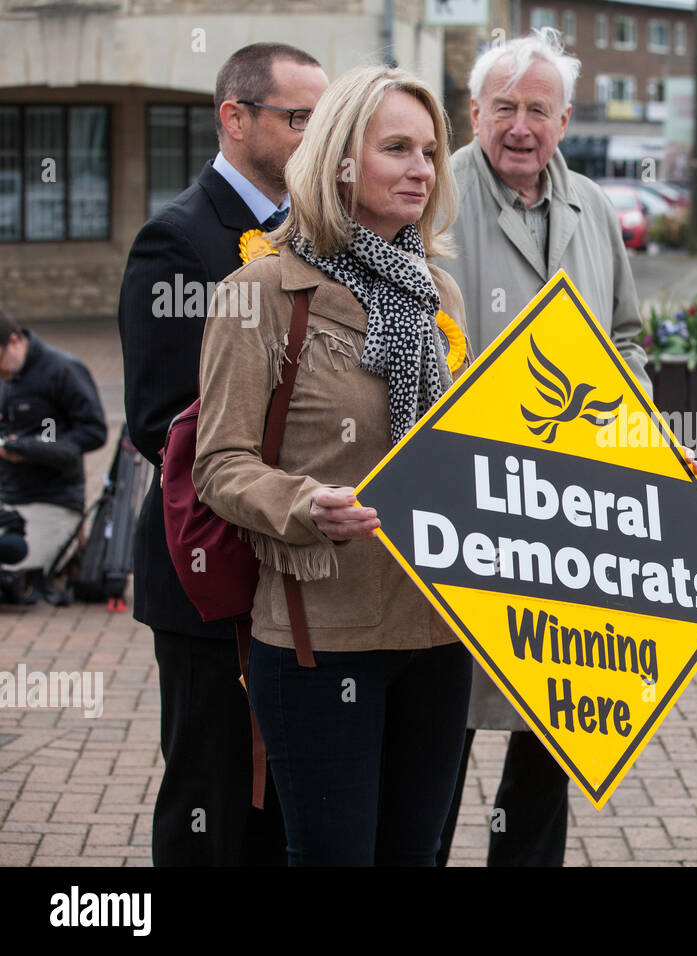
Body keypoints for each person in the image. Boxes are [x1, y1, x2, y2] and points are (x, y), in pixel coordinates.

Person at [435, 26, 697, 868]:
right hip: (466, 502)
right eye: (505, 108)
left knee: (557, 725)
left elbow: (624, 336)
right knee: (438, 730)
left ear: (565, 119)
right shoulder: (432, 195)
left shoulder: (592, 204)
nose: (522, 127)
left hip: (571, 511)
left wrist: (638, 434)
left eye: (540, 111)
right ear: (474, 111)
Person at [192, 64, 475, 867]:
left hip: (440, 631)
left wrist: (649, 481)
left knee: (414, 858)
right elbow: (221, 463)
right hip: (322, 643)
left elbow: (481, 452)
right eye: (396, 148)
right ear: (339, 160)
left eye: (429, 151)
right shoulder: (263, 291)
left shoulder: (438, 295)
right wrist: (306, 503)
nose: (421, 169)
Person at [116, 41, 327, 866]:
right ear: (234, 119)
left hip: (298, 570)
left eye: (323, 116)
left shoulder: (315, 236)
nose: (317, 134)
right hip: (207, 570)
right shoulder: (177, 241)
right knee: (211, 794)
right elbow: (162, 422)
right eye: (299, 118)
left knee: (279, 801)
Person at [0, 309, 106, 597]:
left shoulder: (63, 370)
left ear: (13, 341)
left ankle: (67, 552)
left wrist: (34, 449)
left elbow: (95, 432)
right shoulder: (6, 377)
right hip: (8, 502)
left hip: (53, 500)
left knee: (12, 576)